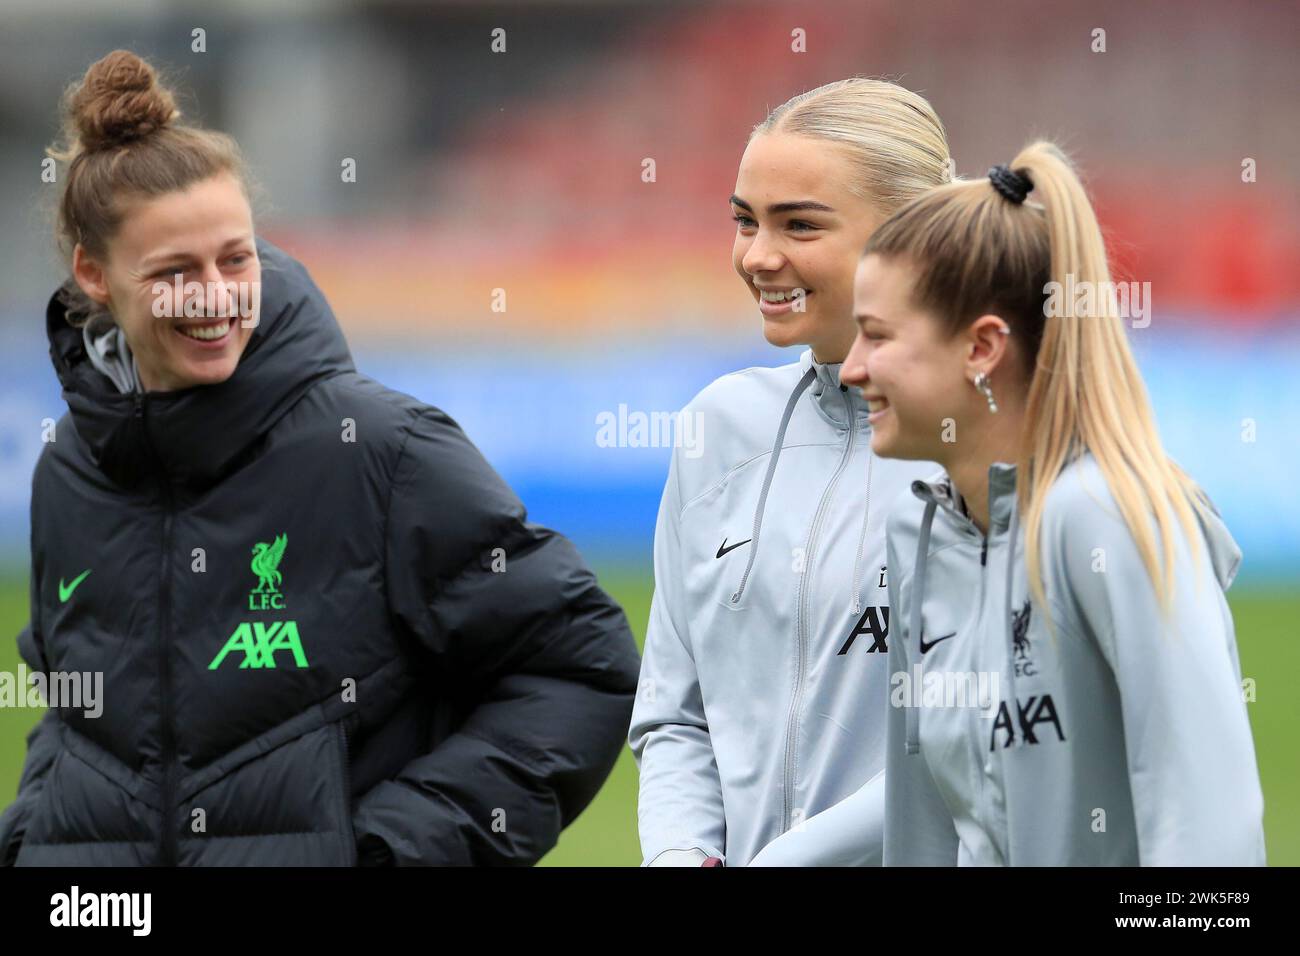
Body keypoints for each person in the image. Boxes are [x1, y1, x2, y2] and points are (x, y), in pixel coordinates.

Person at [0, 49, 640, 867]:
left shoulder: (382, 448)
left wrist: (395, 851)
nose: (216, 294)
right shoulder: (69, 469)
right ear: (93, 274)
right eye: (175, 271)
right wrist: (34, 843)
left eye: (236, 258)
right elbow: (72, 711)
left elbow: (580, 668)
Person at [840, 141, 1266, 865]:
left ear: (982, 348)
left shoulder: (1101, 515)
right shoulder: (919, 531)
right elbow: (921, 832)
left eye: (876, 336)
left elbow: (1211, 843)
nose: (851, 368)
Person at [628, 77, 950, 866]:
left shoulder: (979, 449)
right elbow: (675, 714)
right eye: (745, 220)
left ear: (912, 233)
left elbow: (974, 743)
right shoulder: (717, 428)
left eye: (799, 224)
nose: (758, 256)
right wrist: (679, 856)